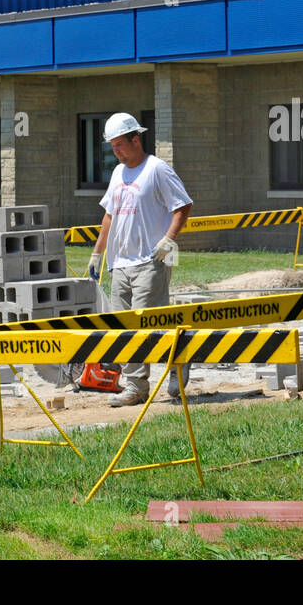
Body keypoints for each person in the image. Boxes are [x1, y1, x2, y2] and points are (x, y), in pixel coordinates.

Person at [87, 113, 193, 407]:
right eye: (112, 147)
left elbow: (183, 205)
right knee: (124, 328)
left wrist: (169, 239)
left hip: (152, 259)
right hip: (119, 263)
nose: (116, 152)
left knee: (150, 322)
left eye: (120, 145)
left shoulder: (157, 169)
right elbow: (109, 215)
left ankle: (177, 366)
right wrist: (98, 253)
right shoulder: (118, 174)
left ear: (136, 139)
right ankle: (136, 387)